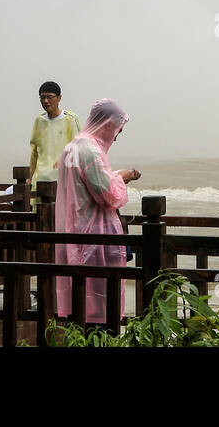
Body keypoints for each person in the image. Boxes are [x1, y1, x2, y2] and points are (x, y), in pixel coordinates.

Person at [55, 98, 141, 323]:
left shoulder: (70, 148)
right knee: (101, 304)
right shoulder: (90, 151)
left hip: (74, 232)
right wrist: (122, 176)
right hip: (95, 237)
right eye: (117, 129)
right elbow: (107, 195)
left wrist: (114, 177)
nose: (117, 135)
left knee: (79, 301)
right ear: (107, 124)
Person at [29, 81, 81, 186]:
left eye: (50, 97)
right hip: (41, 180)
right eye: (42, 98)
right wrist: (29, 178)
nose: (46, 101)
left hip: (63, 181)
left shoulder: (71, 119)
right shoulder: (39, 121)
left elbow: (79, 149)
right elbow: (34, 153)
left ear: (59, 98)